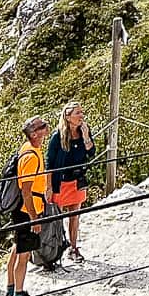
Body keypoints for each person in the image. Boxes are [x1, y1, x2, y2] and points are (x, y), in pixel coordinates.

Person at [5, 115, 52, 296]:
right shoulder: (31, 156)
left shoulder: (29, 149)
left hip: (22, 210)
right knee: (24, 255)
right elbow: (26, 190)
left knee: (17, 248)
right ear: (34, 134)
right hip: (28, 210)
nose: (46, 127)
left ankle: (10, 290)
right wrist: (34, 218)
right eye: (42, 126)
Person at [46, 104, 97, 266]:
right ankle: (55, 251)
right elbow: (50, 163)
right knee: (57, 219)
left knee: (75, 217)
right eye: (78, 113)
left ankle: (73, 248)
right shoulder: (57, 136)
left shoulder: (83, 132)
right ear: (68, 117)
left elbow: (91, 152)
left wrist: (87, 136)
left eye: (82, 112)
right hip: (60, 183)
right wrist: (48, 187)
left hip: (77, 181)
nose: (81, 115)